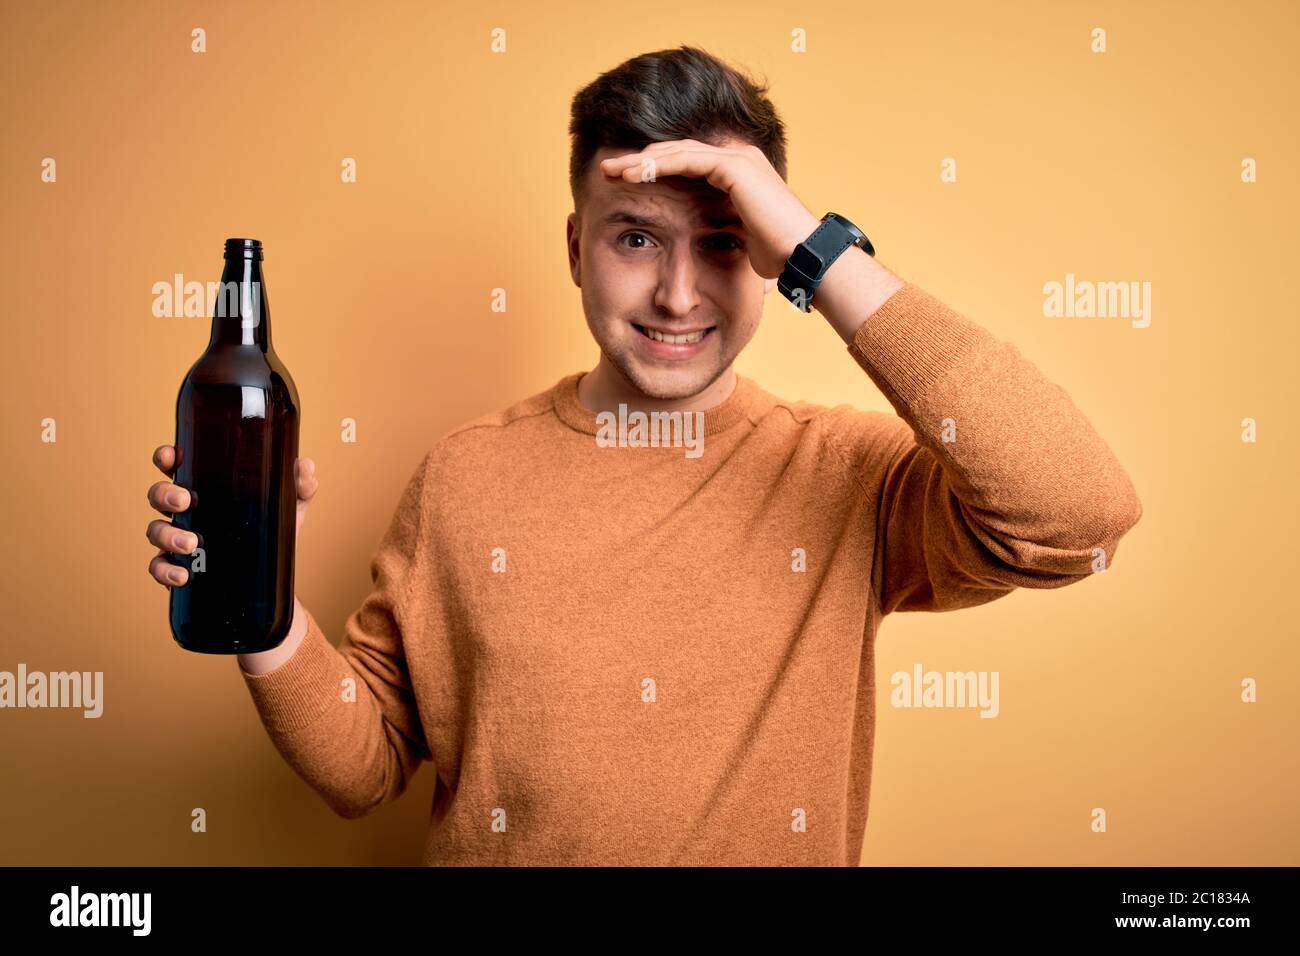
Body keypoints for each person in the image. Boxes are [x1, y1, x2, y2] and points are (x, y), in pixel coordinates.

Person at [144, 45, 1142, 865]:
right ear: (575, 248)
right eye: (634, 239)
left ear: (765, 255)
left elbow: (1079, 512)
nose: (677, 293)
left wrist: (814, 245)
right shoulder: (463, 475)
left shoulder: (846, 473)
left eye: (720, 240)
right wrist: (258, 603)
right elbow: (363, 768)